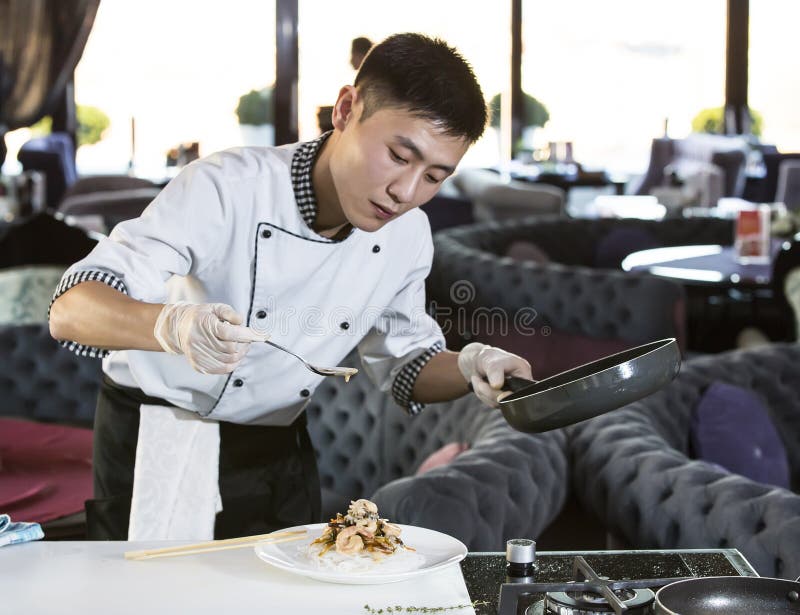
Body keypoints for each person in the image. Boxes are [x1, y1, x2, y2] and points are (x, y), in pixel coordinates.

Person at [48, 32, 532, 541]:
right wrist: (174, 326)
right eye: (397, 155)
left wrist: (470, 364)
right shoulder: (226, 188)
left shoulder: (408, 235)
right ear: (346, 109)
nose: (406, 192)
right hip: (163, 432)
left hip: (277, 448)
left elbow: (406, 363)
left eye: (435, 176)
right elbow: (71, 310)